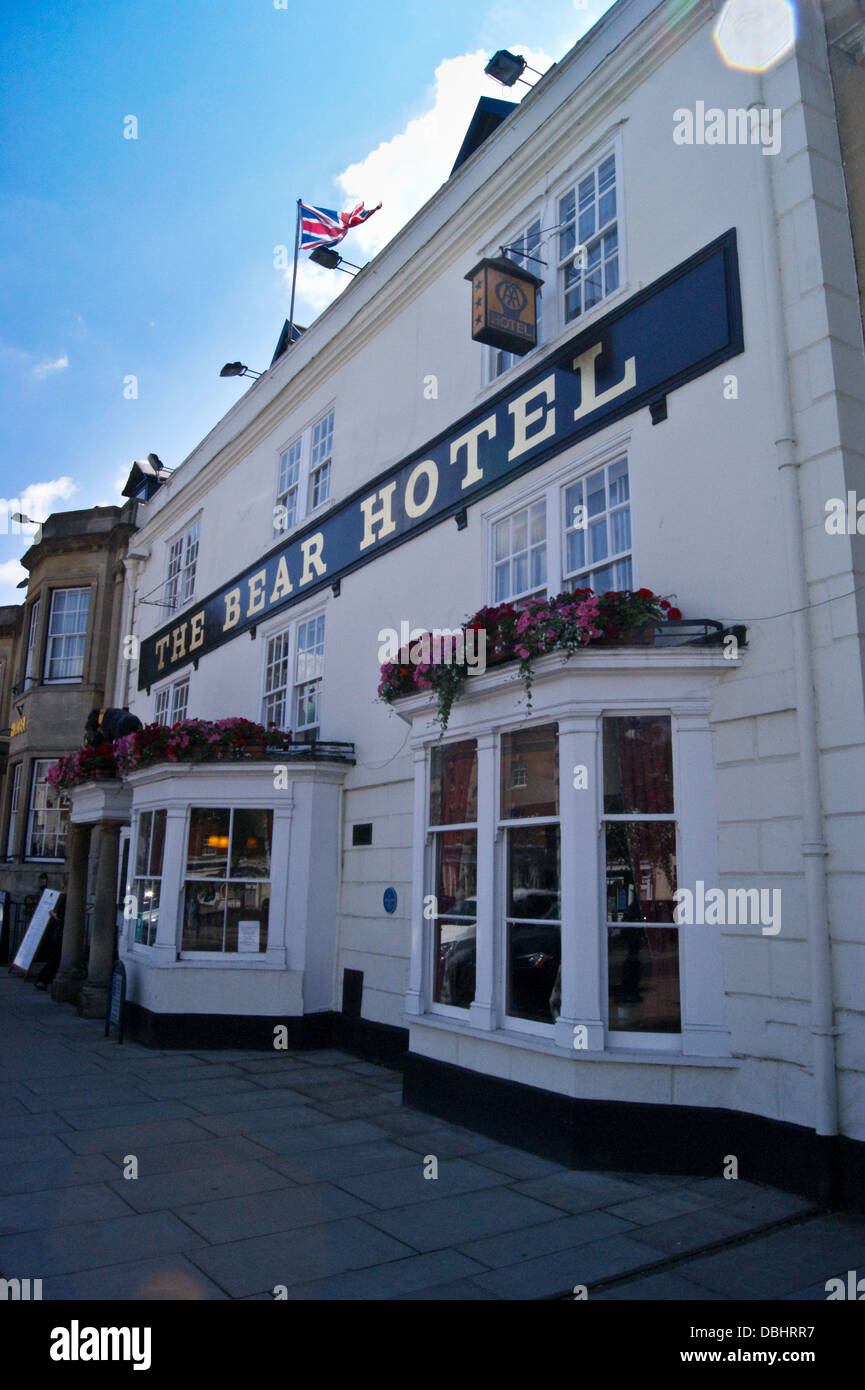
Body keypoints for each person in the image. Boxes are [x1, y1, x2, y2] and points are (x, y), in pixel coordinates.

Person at [34, 881, 66, 990]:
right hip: (62, 932)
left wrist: (52, 914)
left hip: (61, 932)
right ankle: (44, 979)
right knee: (55, 958)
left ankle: (43, 980)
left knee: (55, 957)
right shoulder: (66, 899)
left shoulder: (65, 899)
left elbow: (59, 917)